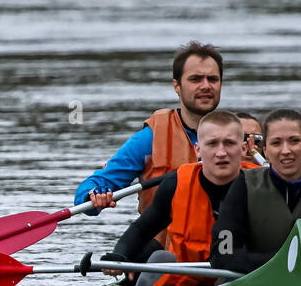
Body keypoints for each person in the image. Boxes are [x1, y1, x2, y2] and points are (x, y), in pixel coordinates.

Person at [102, 111, 262, 286]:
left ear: (243, 149)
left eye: (229, 143)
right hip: (185, 280)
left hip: (239, 278)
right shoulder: (176, 183)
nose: (221, 152)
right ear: (198, 150)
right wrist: (118, 256)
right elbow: (141, 229)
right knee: (160, 256)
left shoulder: (264, 185)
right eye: (212, 143)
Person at [74, 41, 225, 223]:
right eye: (196, 79)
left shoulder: (241, 137)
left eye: (213, 79)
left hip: (225, 244)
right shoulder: (150, 139)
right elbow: (91, 186)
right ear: (177, 86)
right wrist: (94, 195)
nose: (206, 86)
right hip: (163, 247)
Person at [209, 108, 301, 279]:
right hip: (252, 284)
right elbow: (221, 254)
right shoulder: (242, 186)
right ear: (265, 149)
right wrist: (284, 264)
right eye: (276, 143)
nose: (286, 150)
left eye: (294, 141)